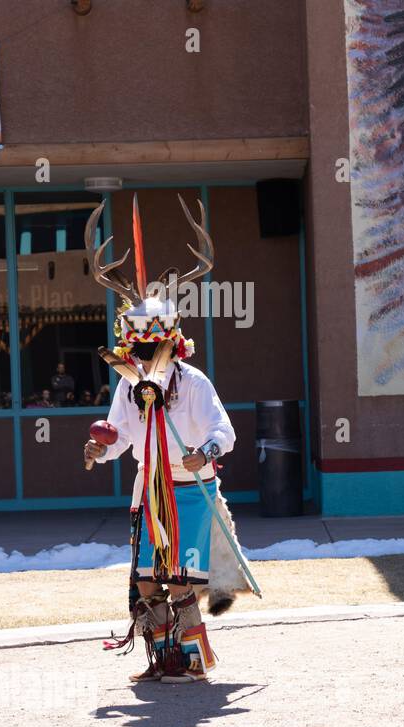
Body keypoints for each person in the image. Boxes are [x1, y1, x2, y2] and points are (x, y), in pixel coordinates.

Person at [81, 196, 256, 683]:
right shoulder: (128, 384)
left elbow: (226, 431)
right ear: (129, 346)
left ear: (171, 343)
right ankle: (163, 662)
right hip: (148, 493)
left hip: (188, 493)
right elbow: (117, 436)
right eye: (138, 348)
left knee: (180, 583)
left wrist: (206, 452)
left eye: (153, 347)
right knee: (146, 581)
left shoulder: (194, 383)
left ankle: (193, 664)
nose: (145, 356)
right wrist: (102, 447)